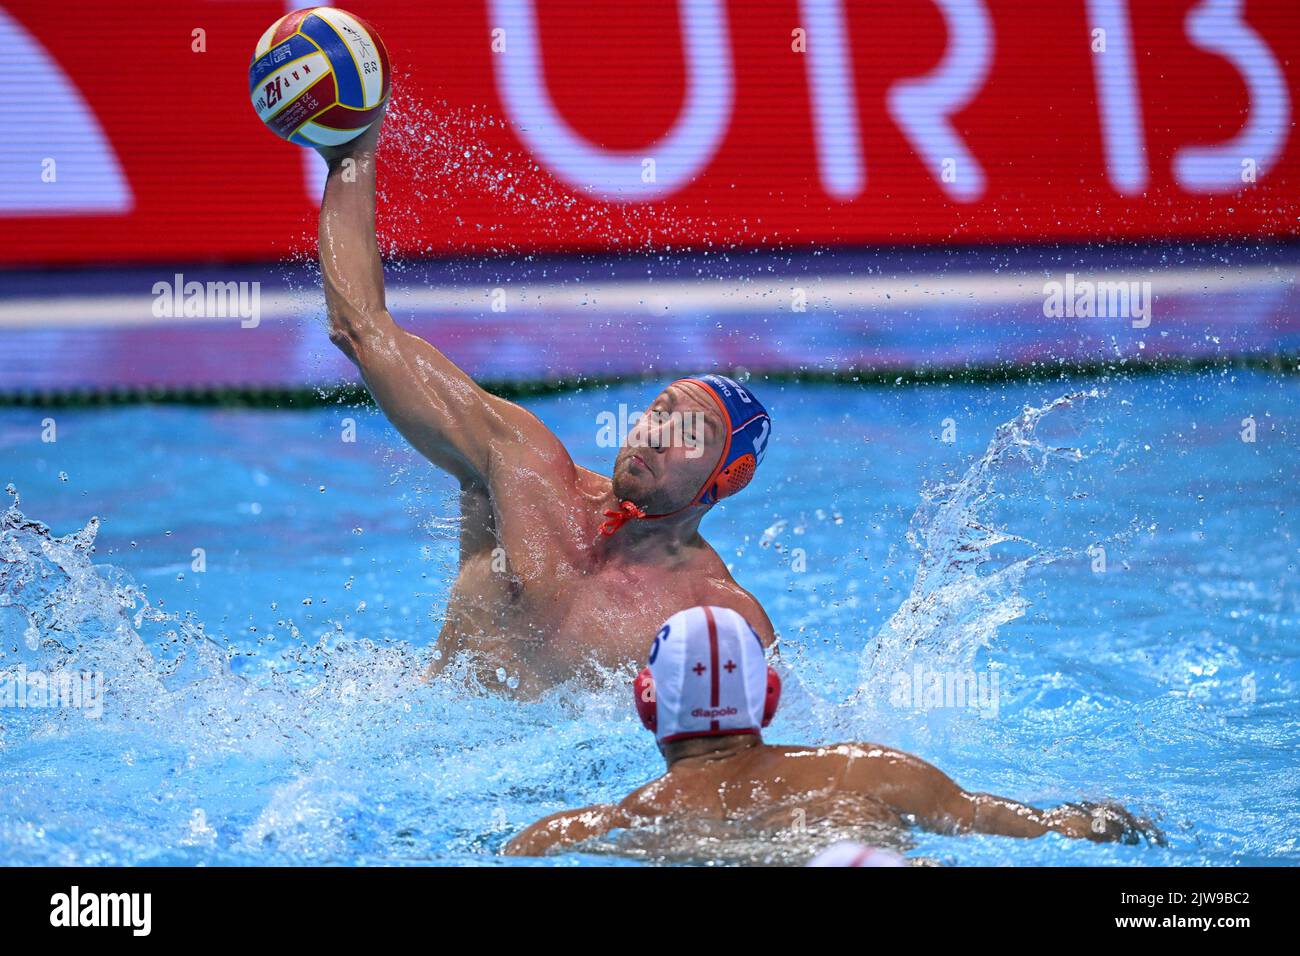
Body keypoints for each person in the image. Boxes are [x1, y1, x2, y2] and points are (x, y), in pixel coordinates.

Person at [312, 108, 775, 692]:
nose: (656, 433)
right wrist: (351, 157)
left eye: (691, 432)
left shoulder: (715, 619)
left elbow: (751, 759)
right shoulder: (521, 467)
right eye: (659, 413)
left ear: (729, 476)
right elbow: (363, 329)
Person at [505, 606, 1160, 856]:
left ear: (646, 705)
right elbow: (1037, 828)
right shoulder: (872, 771)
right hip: (850, 838)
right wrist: (1101, 819)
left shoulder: (599, 826)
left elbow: (517, 850)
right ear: (768, 699)